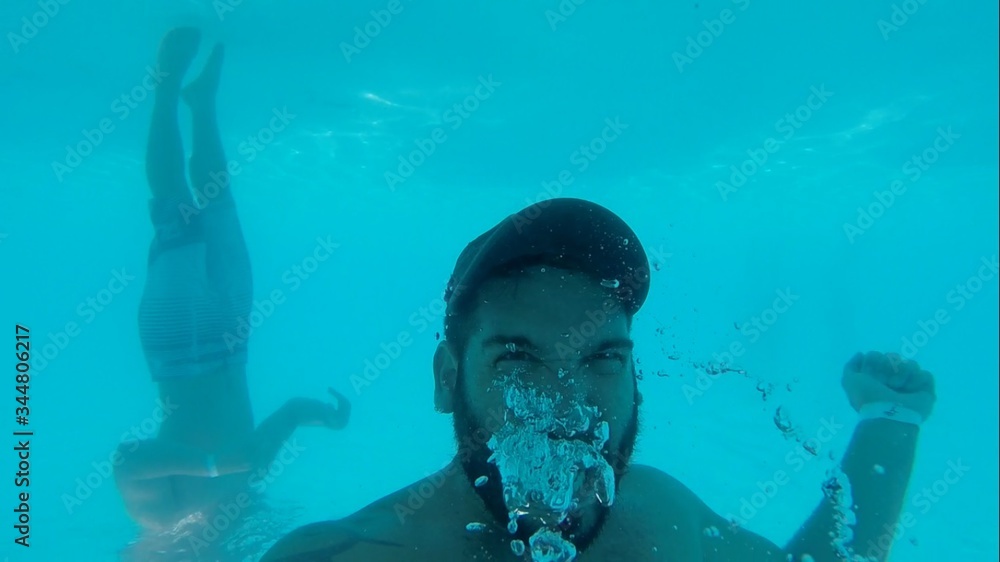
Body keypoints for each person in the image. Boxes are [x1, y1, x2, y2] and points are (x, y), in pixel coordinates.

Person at [261, 198, 936, 562]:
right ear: (446, 379)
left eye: (601, 359)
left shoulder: (663, 521)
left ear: (637, 378)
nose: (566, 406)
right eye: (517, 359)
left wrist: (891, 424)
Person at [113, 28, 350, 558]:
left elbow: (128, 460)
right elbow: (279, 419)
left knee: (173, 205)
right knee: (221, 209)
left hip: (178, 348)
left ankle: (166, 83)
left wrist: (217, 464)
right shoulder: (239, 507)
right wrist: (323, 416)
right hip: (231, 340)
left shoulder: (162, 519)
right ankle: (201, 105)